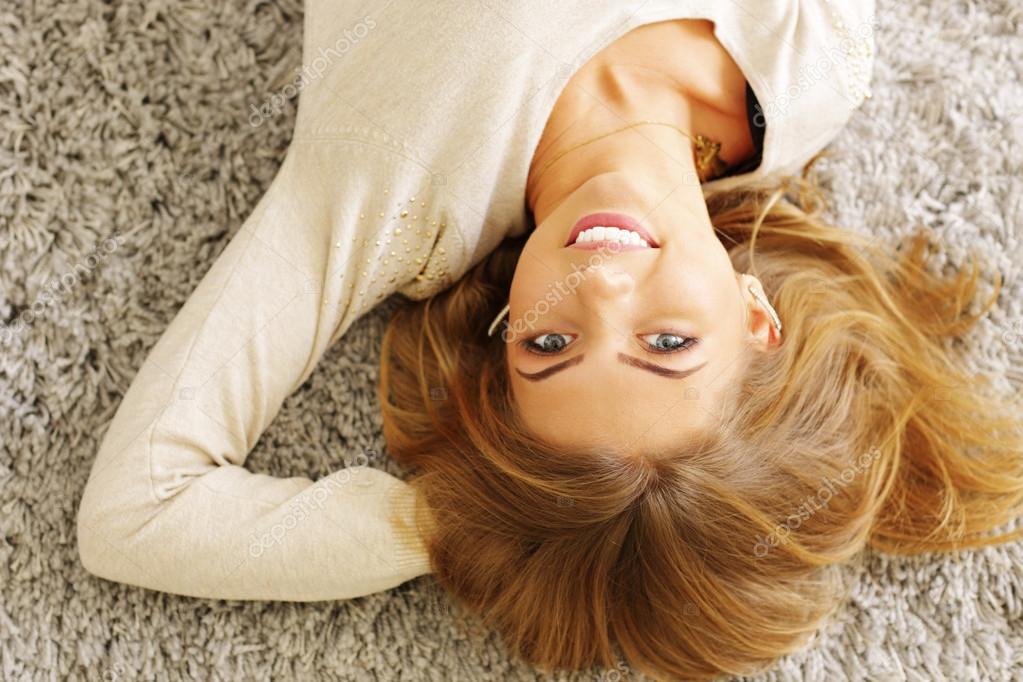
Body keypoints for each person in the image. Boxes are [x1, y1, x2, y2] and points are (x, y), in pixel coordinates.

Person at [78, 2, 1023, 679]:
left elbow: (136, 513)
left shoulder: (398, 181)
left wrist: (454, 523)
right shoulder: (821, 64)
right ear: (754, 318)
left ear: (500, 340)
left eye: (548, 349)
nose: (603, 284)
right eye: (664, 342)